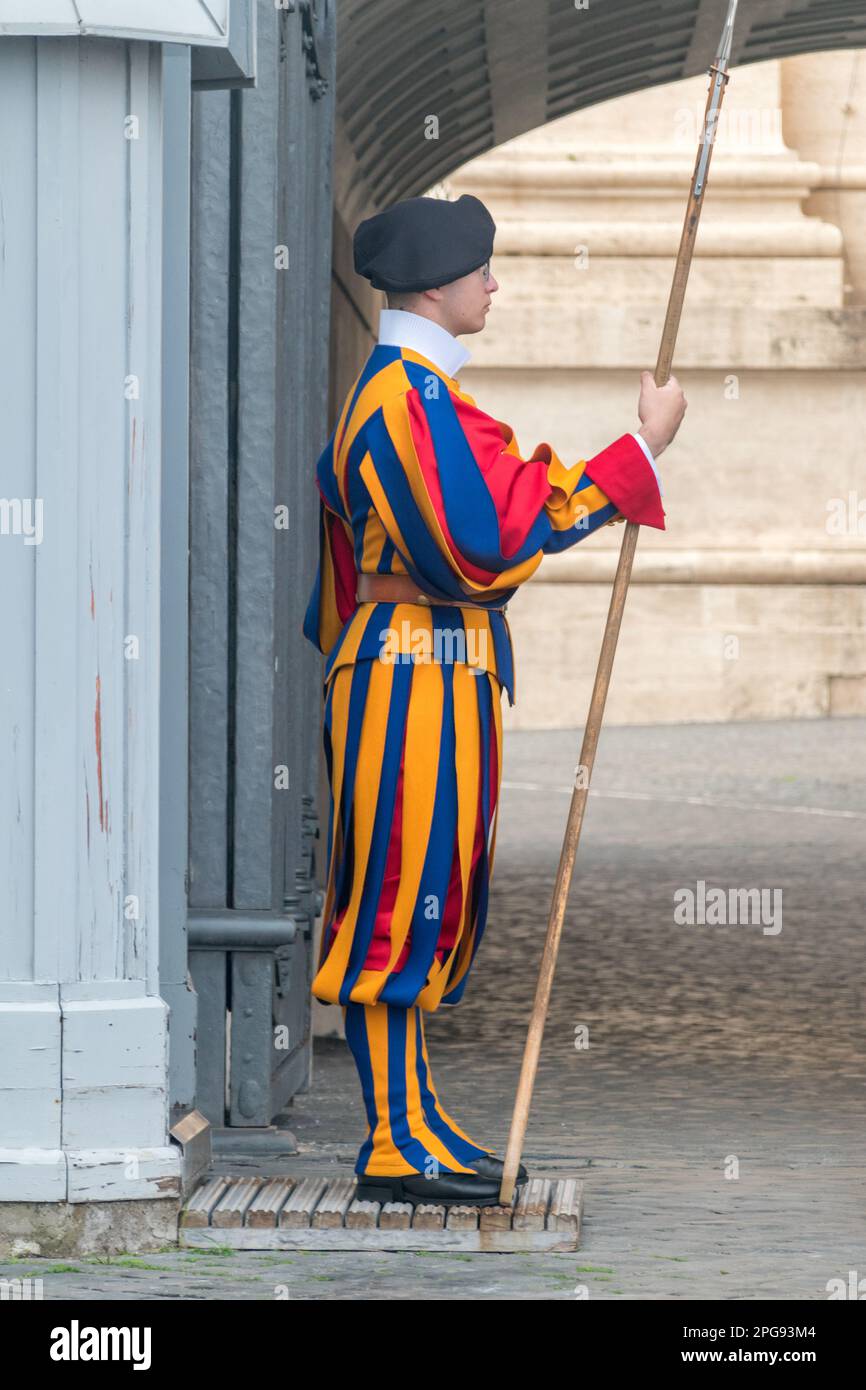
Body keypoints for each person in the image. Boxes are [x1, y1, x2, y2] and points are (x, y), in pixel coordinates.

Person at [302, 193, 687, 1208]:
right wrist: (635, 453)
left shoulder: (420, 399)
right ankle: (392, 1140)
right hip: (413, 673)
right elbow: (487, 536)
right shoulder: (405, 401)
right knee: (398, 893)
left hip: (436, 669)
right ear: (435, 284)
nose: (492, 283)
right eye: (480, 268)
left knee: (433, 895)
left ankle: (415, 1118)